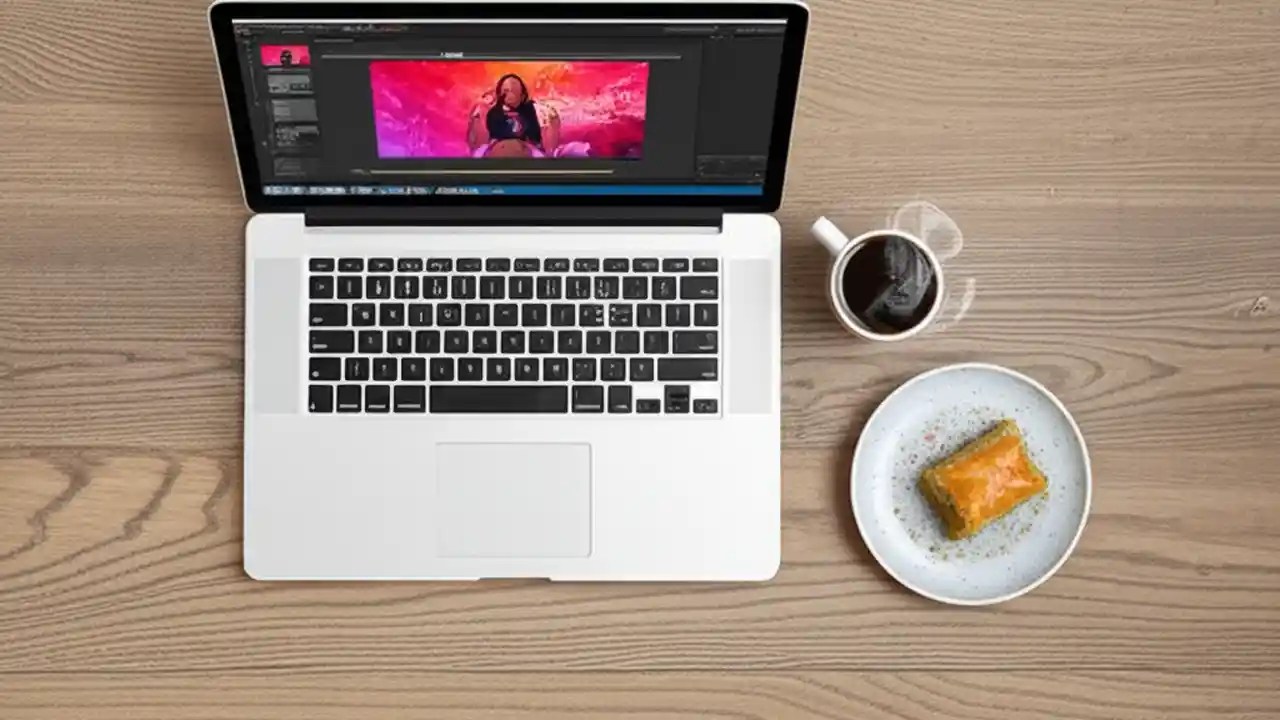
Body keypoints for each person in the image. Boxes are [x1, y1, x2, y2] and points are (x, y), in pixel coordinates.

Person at [467, 73, 560, 157]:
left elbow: (551, 126)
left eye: (514, 89)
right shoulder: (490, 112)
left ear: (522, 95)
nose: (510, 93)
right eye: (506, 90)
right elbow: (475, 142)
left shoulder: (534, 109)